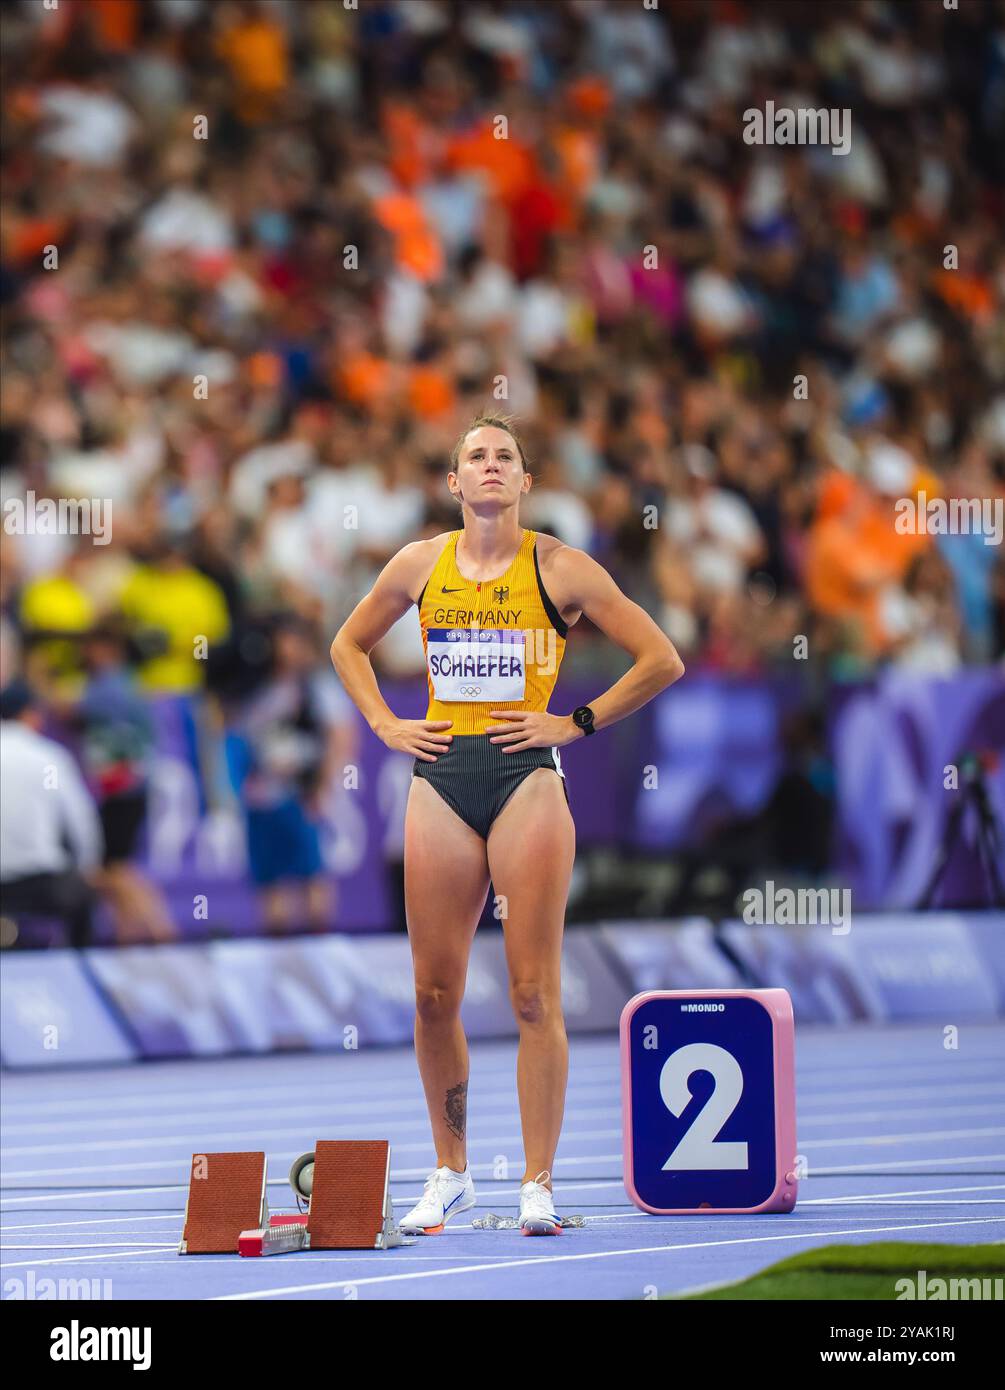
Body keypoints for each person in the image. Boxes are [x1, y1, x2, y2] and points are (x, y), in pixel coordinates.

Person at [330, 416, 684, 1234]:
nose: (490, 467)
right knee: (430, 994)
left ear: (526, 481)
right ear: (453, 483)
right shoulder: (419, 564)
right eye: (475, 458)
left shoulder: (560, 567)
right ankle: (451, 1171)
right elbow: (348, 646)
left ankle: (536, 1180)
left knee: (531, 993)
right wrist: (386, 725)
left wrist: (575, 721)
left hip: (525, 776)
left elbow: (661, 657)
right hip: (441, 777)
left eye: (505, 457)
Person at [0, 680, 103, 948]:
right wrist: (88, 865)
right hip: (41, 881)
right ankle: (79, 965)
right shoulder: (48, 757)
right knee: (84, 898)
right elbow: (81, 819)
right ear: (30, 714)